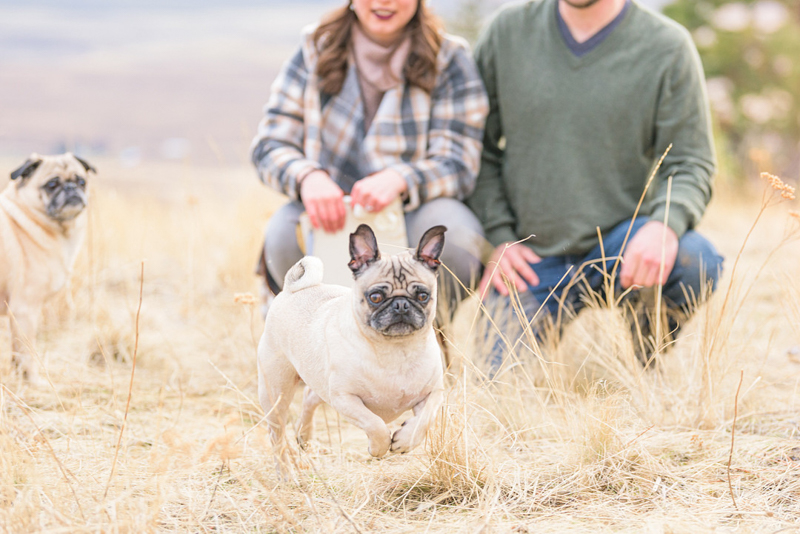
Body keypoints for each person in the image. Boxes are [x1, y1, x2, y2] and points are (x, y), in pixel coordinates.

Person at [467, 0, 724, 366]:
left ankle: (641, 358)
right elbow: (477, 148)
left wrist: (664, 224)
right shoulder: (506, 32)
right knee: (497, 385)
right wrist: (499, 237)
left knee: (694, 259)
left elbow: (691, 161)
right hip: (529, 259)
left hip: (622, 247)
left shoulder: (667, 46)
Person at [251, 0, 489, 310]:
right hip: (331, 212)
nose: (384, 2)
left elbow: (460, 161)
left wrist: (401, 178)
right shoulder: (315, 47)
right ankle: (313, 330)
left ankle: (427, 335)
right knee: (281, 233)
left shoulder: (449, 57)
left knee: (458, 237)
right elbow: (270, 144)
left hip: (411, 211)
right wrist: (308, 177)